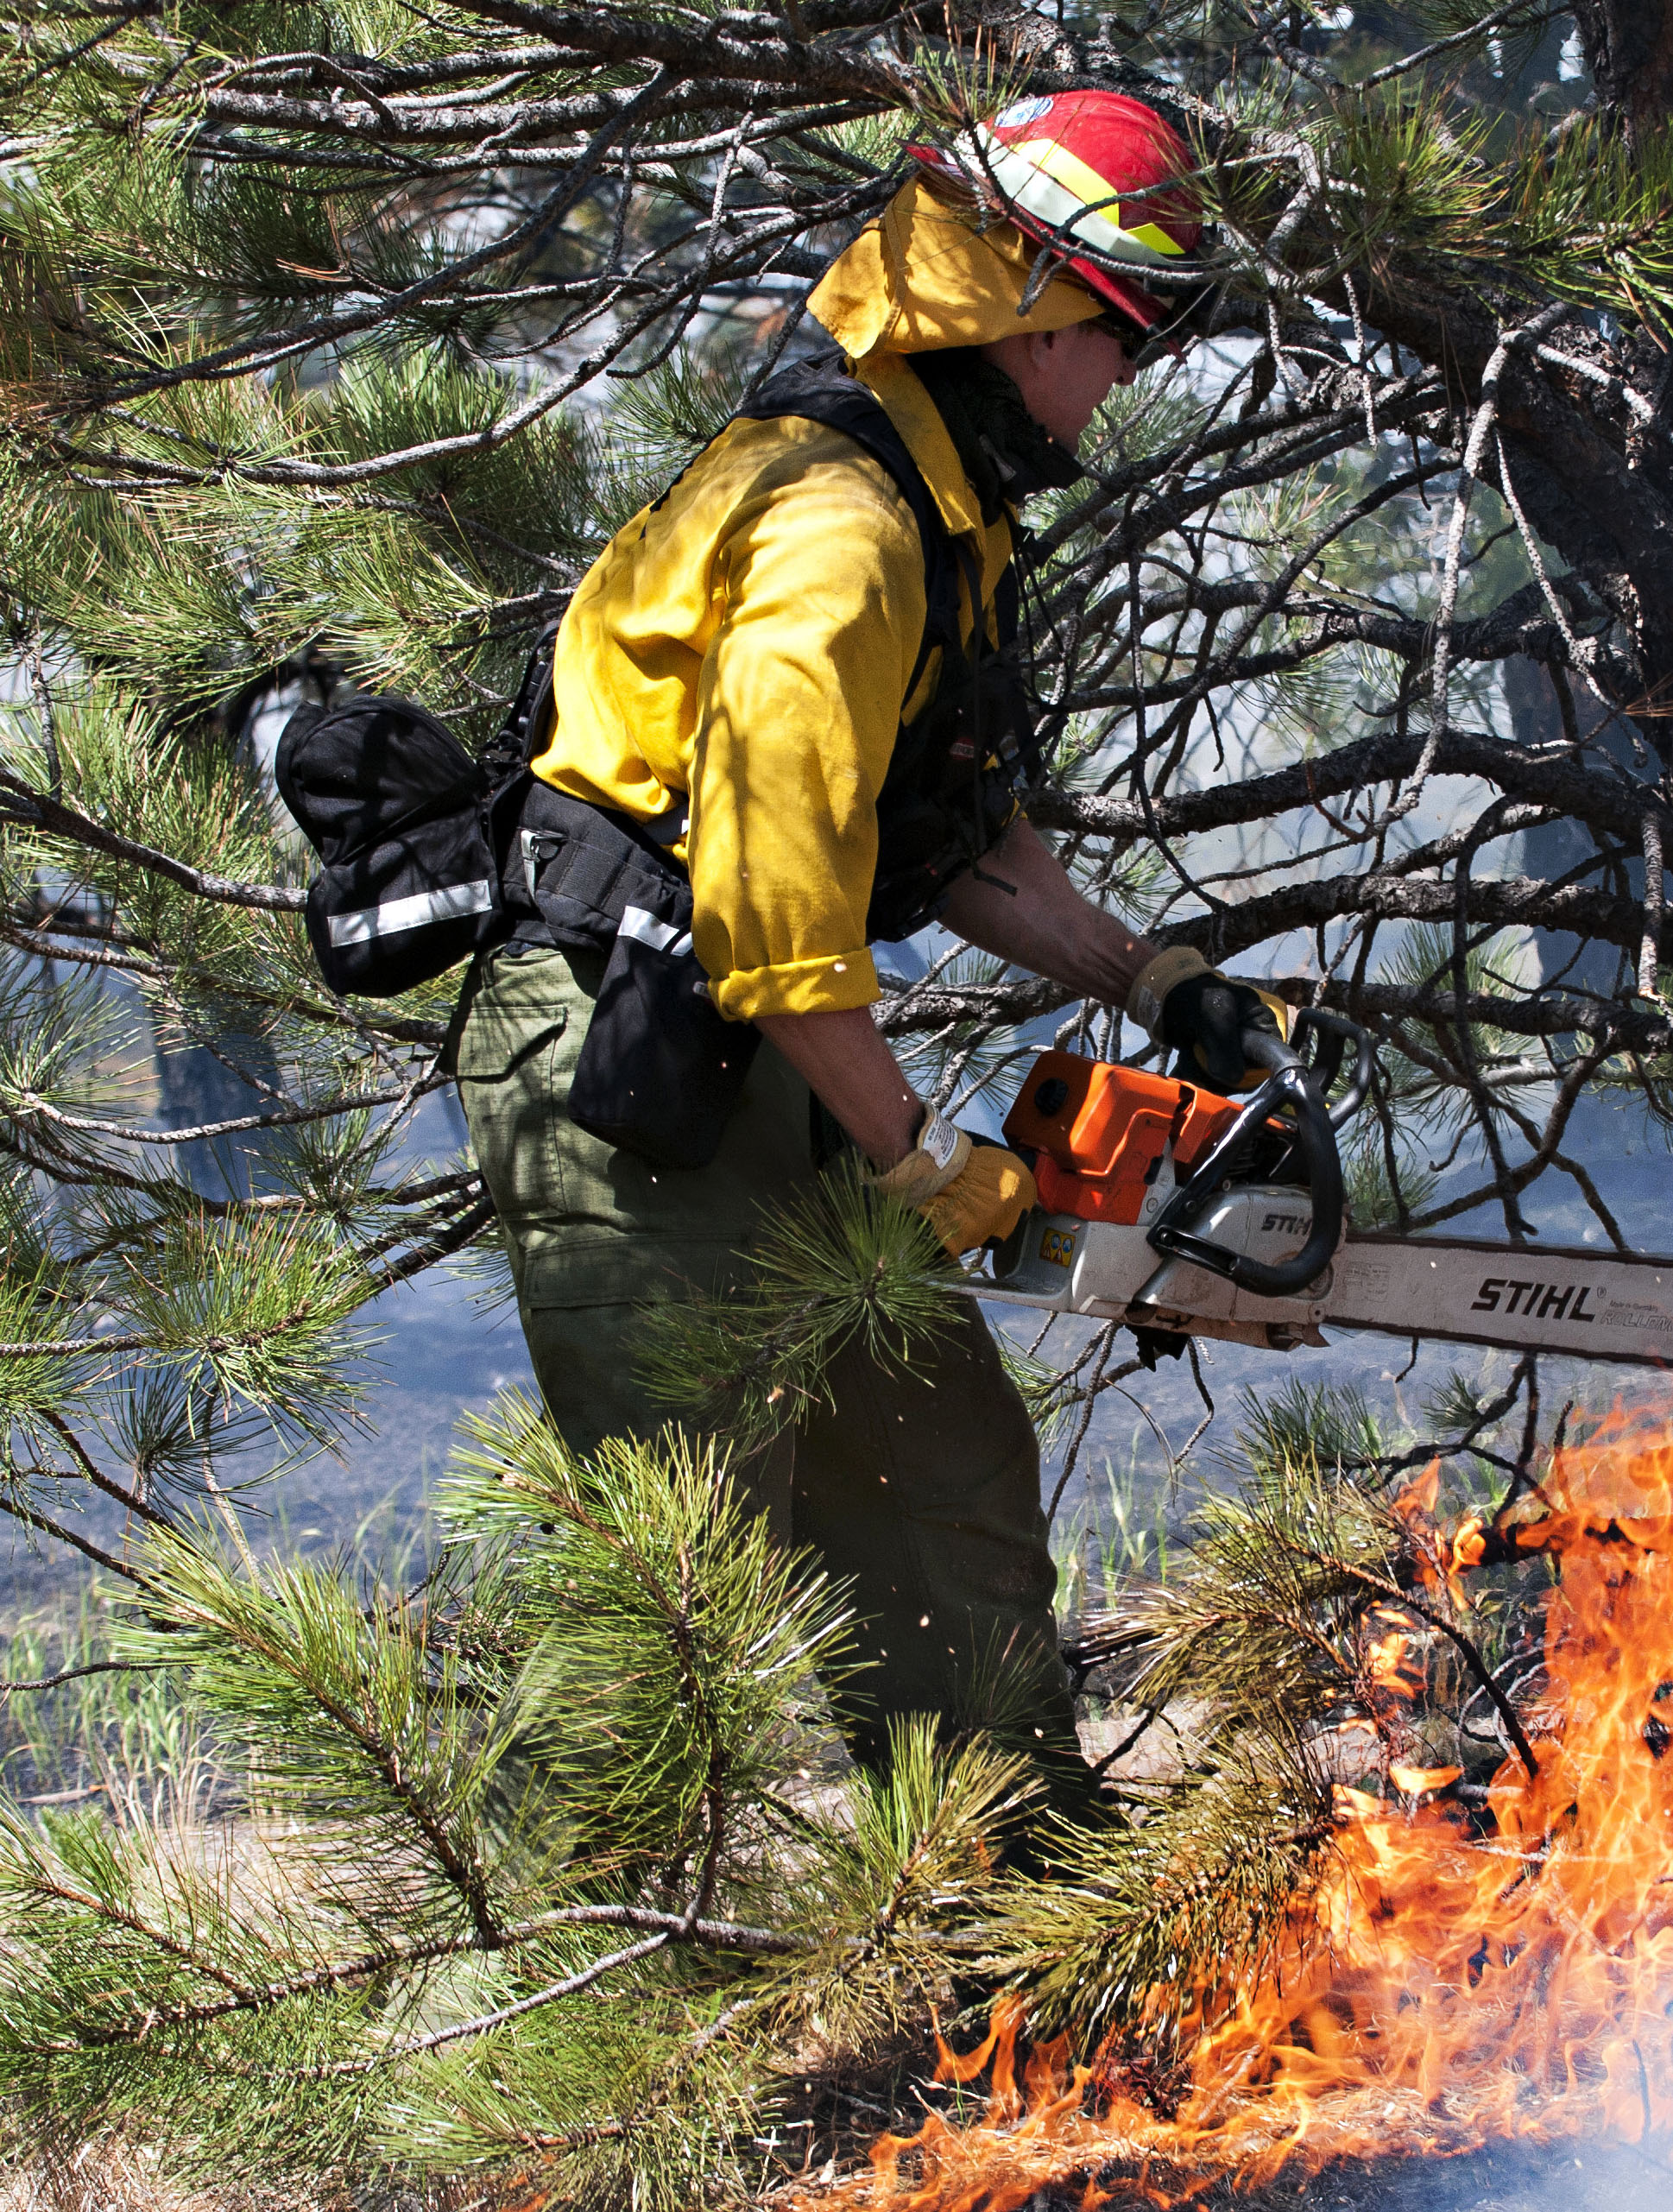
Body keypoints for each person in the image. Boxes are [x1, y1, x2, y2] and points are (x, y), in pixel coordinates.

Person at [453, 91, 1285, 1827]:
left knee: (936, 1458)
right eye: (1118, 340)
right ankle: (557, 2027)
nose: (1122, 384)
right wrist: (919, 1160)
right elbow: (772, 915)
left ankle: (1021, 1891)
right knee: (674, 1548)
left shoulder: (935, 495)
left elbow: (947, 833)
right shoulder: (842, 529)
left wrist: (1148, 980)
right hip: (633, 1059)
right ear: (1028, 311)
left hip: (761, 1042)